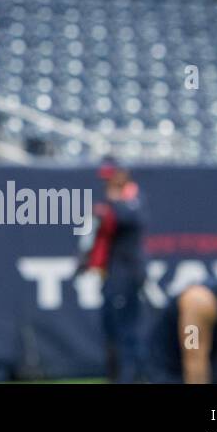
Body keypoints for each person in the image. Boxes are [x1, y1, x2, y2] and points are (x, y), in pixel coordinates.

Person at [82, 158, 146, 383]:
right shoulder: (110, 202)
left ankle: (130, 377)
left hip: (127, 275)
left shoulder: (131, 197)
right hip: (111, 275)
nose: (107, 183)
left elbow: (129, 218)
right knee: (111, 330)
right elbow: (96, 236)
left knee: (126, 331)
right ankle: (116, 376)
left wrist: (112, 201)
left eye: (111, 177)